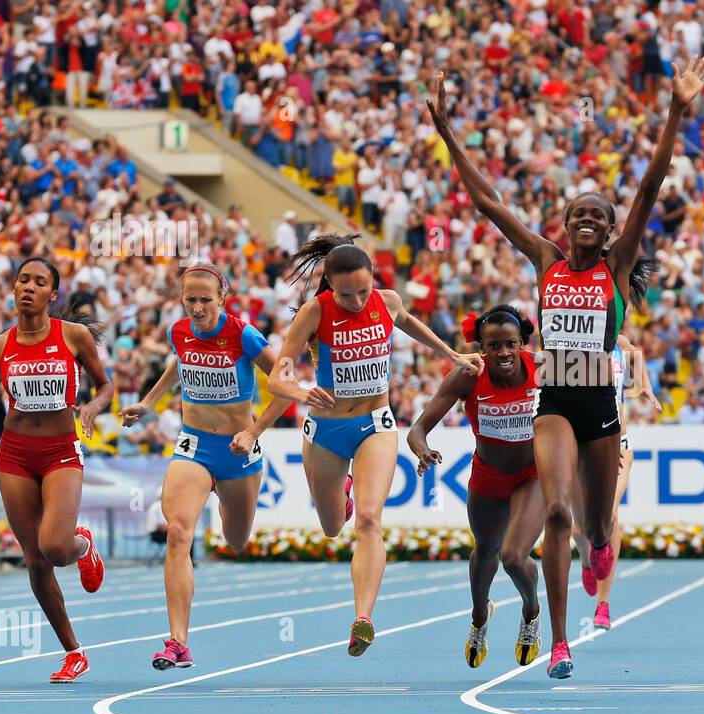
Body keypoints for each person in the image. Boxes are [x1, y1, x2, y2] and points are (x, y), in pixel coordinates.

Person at [427, 58, 704, 678]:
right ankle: (560, 641)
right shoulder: (546, 259)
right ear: (565, 225)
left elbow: (650, 185)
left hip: (601, 408)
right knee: (557, 515)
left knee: (598, 522)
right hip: (555, 402)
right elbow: (486, 202)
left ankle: (602, 545)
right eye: (577, 215)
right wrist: (449, 132)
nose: (586, 222)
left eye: (597, 218)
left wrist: (676, 111)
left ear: (611, 232)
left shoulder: (614, 269)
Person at [267, 234, 482, 657]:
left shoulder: (387, 300)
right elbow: (277, 377)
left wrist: (453, 355)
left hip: (376, 425)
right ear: (329, 285)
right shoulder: (314, 313)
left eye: (364, 290)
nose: (357, 300)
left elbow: (408, 322)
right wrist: (302, 391)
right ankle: (341, 498)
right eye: (346, 294)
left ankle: (363, 616)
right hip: (326, 432)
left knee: (369, 520)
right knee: (332, 527)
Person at [119, 263, 291, 671]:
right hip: (193, 446)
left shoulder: (243, 335)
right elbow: (178, 364)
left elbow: (284, 387)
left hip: (238, 452)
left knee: (236, 541)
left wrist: (254, 432)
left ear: (222, 299)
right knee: (178, 532)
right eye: (190, 300)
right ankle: (178, 641)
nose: (197, 308)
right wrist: (148, 402)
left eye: (205, 300)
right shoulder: (178, 332)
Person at [0, 257, 113, 683]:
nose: (29, 286)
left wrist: (93, 408)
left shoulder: (74, 336)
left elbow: (105, 385)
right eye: (23, 279)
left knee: (56, 549)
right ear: (12, 288)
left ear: (53, 294)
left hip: (60, 451)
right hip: (14, 453)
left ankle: (81, 544)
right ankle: (74, 651)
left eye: (39, 281)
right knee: (34, 559)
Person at [407, 305, 543, 668]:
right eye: (494, 345)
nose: (503, 353)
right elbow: (417, 429)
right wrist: (422, 450)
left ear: (522, 343)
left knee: (515, 556)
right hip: (488, 476)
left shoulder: (543, 369)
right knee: (486, 551)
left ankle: (531, 611)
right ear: (481, 345)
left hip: (532, 476)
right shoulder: (468, 376)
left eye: (510, 344)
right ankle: (479, 618)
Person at [571, 332, 660, 629]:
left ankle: (603, 604)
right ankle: (586, 561)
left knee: (610, 515)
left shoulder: (618, 342)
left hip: (617, 442)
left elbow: (636, 355)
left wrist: (645, 387)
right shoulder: (570, 341)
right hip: (581, 444)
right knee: (579, 527)